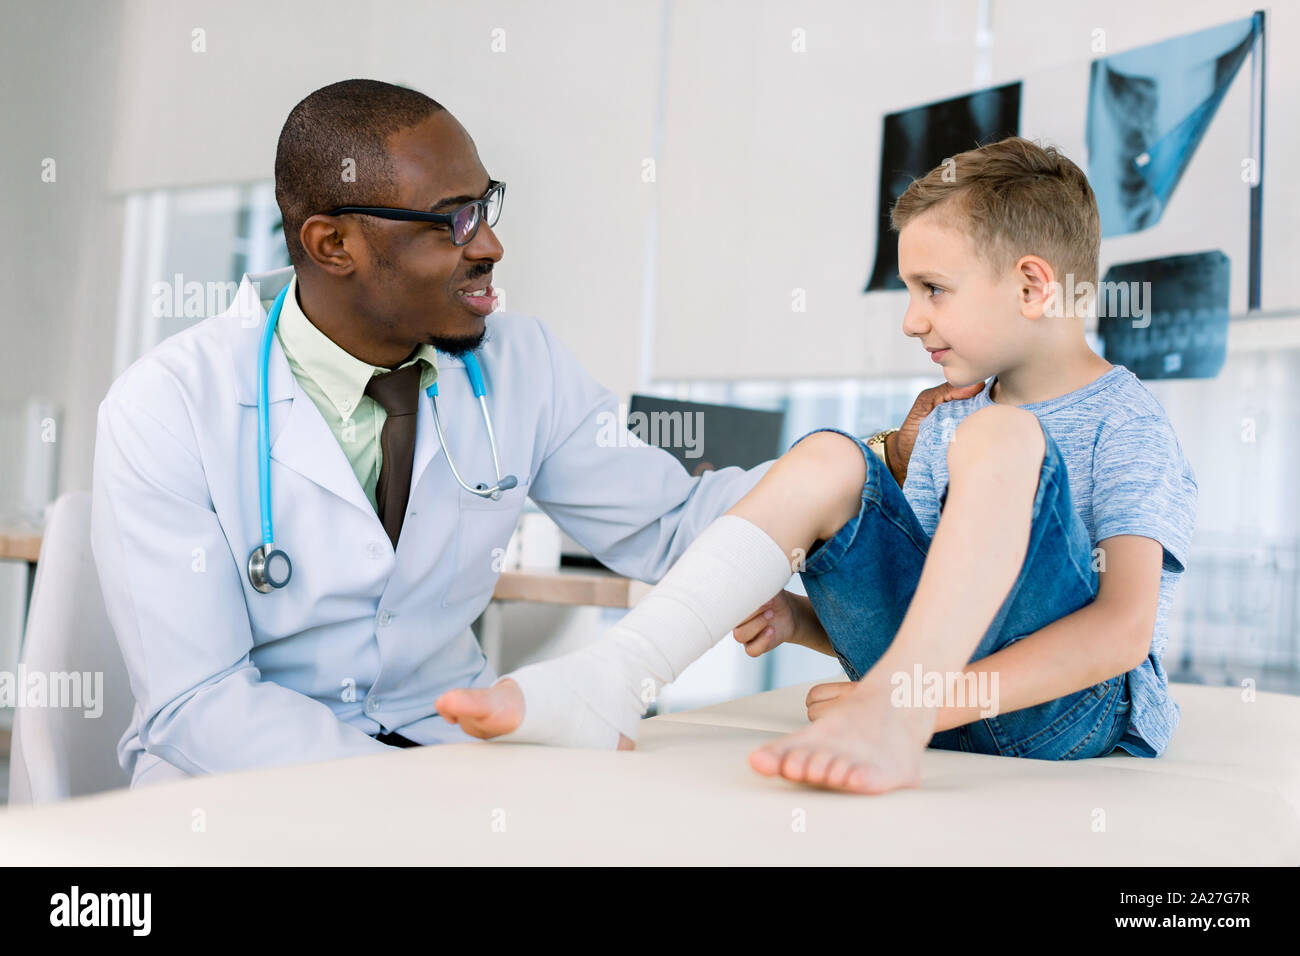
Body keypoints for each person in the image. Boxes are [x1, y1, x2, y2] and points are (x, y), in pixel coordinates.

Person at [91, 78, 967, 786]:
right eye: (454, 220)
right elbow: (198, 703)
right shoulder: (167, 408)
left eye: (488, 205)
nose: (493, 245)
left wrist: (875, 460)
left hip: (463, 750)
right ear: (331, 244)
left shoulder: (521, 363)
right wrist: (402, 803)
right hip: (248, 790)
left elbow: (670, 526)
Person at [436, 136, 1198, 795]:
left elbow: (1123, 633)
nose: (912, 320)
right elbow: (939, 607)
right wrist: (804, 622)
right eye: (909, 290)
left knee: (1000, 437)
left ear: (1033, 285)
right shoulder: (948, 420)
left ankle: (893, 712)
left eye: (933, 289)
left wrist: (915, 702)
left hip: (1064, 712)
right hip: (923, 706)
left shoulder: (1120, 420)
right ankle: (613, 680)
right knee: (835, 453)